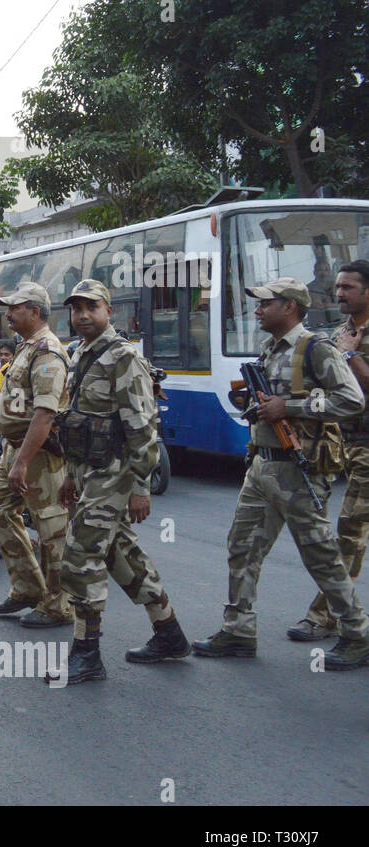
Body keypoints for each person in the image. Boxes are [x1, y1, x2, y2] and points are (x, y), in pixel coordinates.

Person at [192, 278, 369, 667]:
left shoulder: (316, 348)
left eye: (264, 304)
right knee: (242, 546)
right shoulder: (270, 348)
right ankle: (238, 629)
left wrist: (289, 407)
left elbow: (350, 399)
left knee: (321, 554)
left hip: (298, 469)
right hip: (263, 465)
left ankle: (357, 634)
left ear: (289, 307)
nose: (256, 310)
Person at [47, 279, 189, 686]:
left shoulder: (123, 357)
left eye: (91, 307)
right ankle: (170, 634)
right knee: (120, 554)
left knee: (81, 555)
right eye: (76, 310)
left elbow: (143, 426)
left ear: (109, 311)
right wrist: (70, 478)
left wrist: (142, 487)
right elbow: (78, 424)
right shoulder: (79, 356)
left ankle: (86, 654)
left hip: (115, 474)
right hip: (89, 474)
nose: (83, 316)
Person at [0, 283, 73, 629]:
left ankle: (58, 604)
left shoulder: (47, 351)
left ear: (35, 312)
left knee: (51, 526)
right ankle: (27, 588)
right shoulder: (25, 347)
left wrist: (23, 461)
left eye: (15, 308)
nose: (8, 314)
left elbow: (45, 413)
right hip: (14, 447)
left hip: (36, 452)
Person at [292, 261, 369, 642]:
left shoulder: (348, 342)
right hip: (351, 445)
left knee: (349, 532)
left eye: (349, 287)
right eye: (338, 287)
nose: (340, 294)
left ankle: (325, 616)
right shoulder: (342, 333)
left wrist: (351, 356)